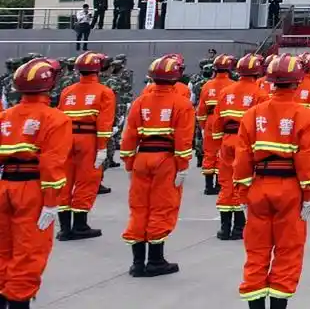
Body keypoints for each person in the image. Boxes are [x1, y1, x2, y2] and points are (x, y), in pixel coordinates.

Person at [234, 53, 310, 309]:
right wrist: (309, 196)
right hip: (290, 188)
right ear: (298, 82)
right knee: (288, 251)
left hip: (259, 186)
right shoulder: (306, 116)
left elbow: (241, 159)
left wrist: (242, 194)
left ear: (270, 81)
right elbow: (307, 162)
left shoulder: (252, 114)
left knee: (256, 252)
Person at [0, 58, 71, 309]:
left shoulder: (5, 116)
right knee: (28, 253)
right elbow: (52, 165)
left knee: (2, 250)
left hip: (4, 185)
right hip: (32, 190)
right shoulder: (55, 118)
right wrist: (52, 203)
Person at [119, 55, 195, 277]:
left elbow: (129, 135)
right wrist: (182, 166)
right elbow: (183, 139)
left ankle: (137, 262)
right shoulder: (181, 103)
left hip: (142, 157)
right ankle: (155, 260)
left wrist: (129, 164)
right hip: (166, 159)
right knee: (162, 207)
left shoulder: (140, 102)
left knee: (139, 207)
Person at [55, 51, 115, 241]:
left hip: (66, 137)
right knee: (86, 180)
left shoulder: (67, 91)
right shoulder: (104, 92)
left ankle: (64, 228)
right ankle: (80, 225)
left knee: (65, 180)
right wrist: (102, 147)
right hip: (88, 138)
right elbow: (104, 124)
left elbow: (58, 117)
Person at [212, 53, 265, 242]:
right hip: (246, 143)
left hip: (227, 139)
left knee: (226, 182)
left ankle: (224, 228)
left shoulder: (226, 91)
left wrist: (220, 142)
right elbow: (261, 123)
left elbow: (217, 121)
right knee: (243, 181)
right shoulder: (260, 94)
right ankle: (240, 227)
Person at [197, 54, 236, 197]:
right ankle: (220, 184)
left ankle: (208, 186)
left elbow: (201, 111)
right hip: (226, 121)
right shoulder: (233, 85)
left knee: (209, 153)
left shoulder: (207, 85)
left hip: (210, 121)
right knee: (223, 153)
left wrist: (203, 126)